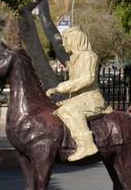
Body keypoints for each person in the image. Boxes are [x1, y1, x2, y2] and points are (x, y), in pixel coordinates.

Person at [47, 26, 111, 161]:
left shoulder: (89, 56)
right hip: (80, 99)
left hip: (92, 100)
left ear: (75, 40)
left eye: (66, 40)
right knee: (55, 109)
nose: (64, 44)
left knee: (67, 110)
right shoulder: (74, 60)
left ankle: (87, 144)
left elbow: (88, 78)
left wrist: (62, 87)